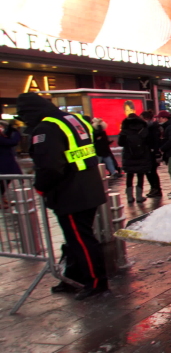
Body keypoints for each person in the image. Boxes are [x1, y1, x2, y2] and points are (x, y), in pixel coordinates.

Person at [15, 93, 109, 300]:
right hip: (88, 186)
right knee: (76, 239)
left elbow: (50, 166)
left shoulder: (46, 128)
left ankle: (96, 282)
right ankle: (73, 277)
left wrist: (41, 187)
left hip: (70, 192)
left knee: (81, 240)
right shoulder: (74, 119)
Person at [118, 113, 150, 204]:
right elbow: (148, 141)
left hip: (129, 155)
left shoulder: (125, 130)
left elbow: (120, 143)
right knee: (140, 175)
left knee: (129, 175)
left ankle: (129, 197)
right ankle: (139, 196)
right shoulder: (143, 128)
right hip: (142, 155)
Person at [139, 111, 163, 198]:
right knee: (149, 172)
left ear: (146, 118)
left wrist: (156, 152)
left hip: (152, 153)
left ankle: (156, 189)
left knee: (151, 171)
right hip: (149, 153)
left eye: (141, 118)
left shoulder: (152, 128)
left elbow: (155, 141)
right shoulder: (149, 127)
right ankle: (154, 188)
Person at [0, 120, 23, 208]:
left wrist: (10, 130)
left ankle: (2, 198)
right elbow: (12, 142)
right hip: (3, 163)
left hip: (7, 162)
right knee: (3, 181)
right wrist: (16, 133)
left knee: (5, 181)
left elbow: (7, 137)